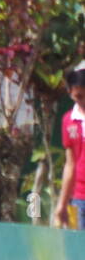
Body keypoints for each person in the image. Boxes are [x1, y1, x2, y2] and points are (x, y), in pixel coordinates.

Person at [55, 62, 85, 230]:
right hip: (78, 198)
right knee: (76, 243)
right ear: (70, 92)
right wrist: (62, 204)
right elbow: (70, 164)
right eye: (78, 97)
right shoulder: (68, 120)